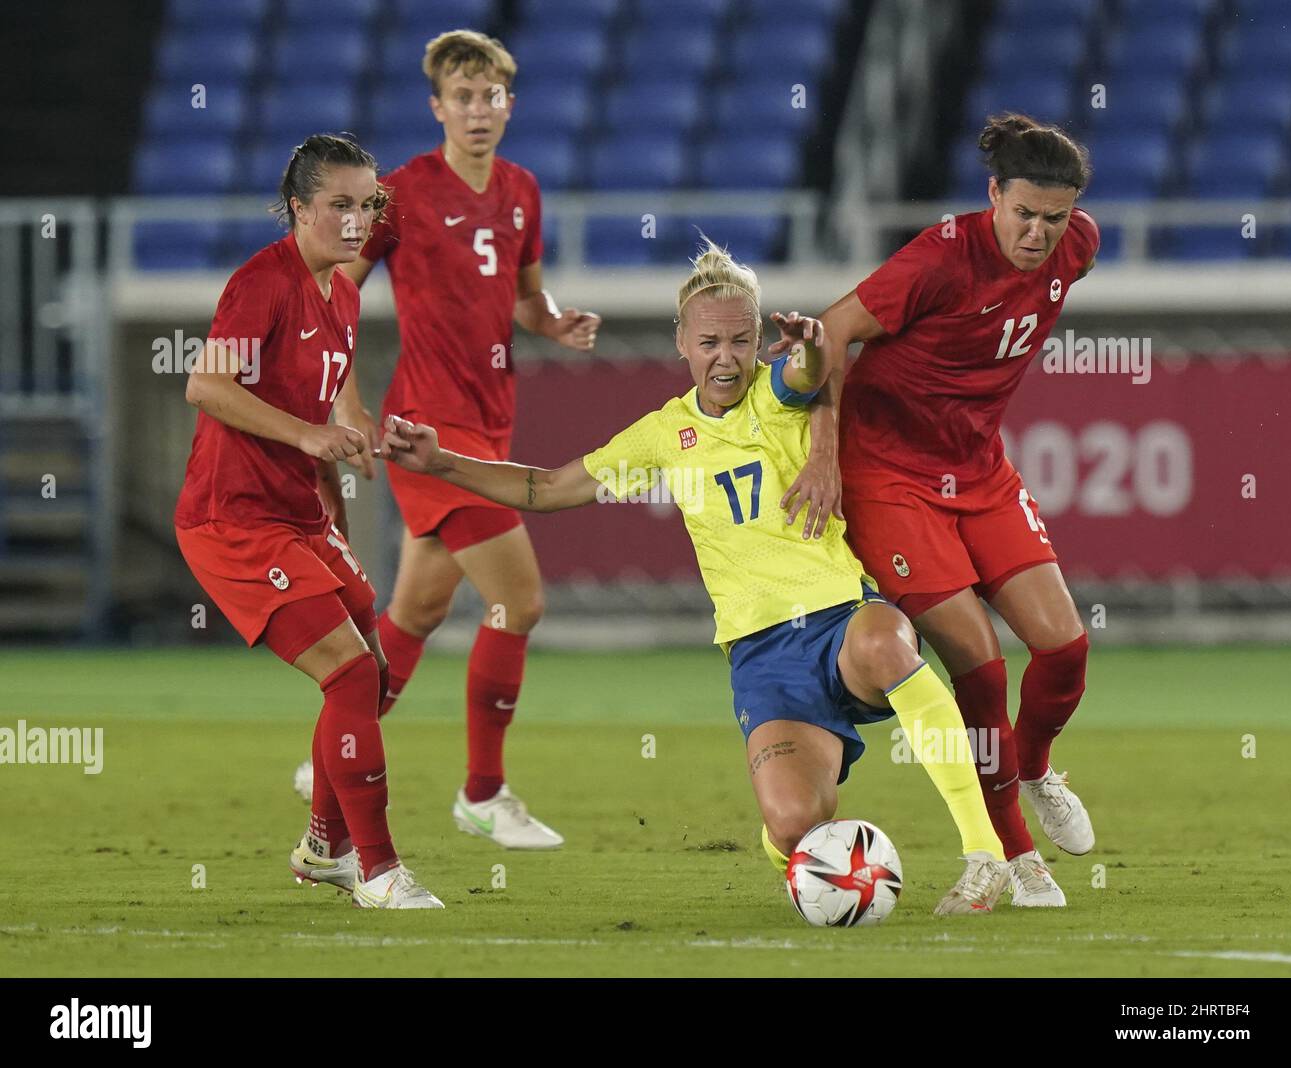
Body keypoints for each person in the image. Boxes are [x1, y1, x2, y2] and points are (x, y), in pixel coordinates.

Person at [379, 239, 1017, 915]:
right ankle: (803, 860)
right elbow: (547, 488)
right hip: (764, 659)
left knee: (890, 640)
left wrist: (805, 348)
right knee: (796, 821)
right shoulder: (663, 435)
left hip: (840, 621)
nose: (726, 357)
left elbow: (806, 371)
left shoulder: (778, 396)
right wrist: (441, 462)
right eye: (710, 341)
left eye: (742, 340)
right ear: (682, 342)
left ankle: (986, 857)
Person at [294, 30, 600, 850]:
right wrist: (347, 406)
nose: (478, 110)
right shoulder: (401, 193)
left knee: (418, 609)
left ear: (509, 104)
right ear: (438, 107)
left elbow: (526, 301)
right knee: (521, 599)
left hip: (489, 423)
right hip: (425, 430)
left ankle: (330, 753)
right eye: (462, 98)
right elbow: (335, 293)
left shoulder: (524, 191)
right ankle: (483, 792)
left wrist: (556, 322)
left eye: (491, 96)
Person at [798, 114, 1101, 907]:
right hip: (888, 477)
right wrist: (824, 452)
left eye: (1055, 218)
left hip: (979, 469)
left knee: (1065, 649)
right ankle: (1013, 855)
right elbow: (830, 331)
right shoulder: (937, 258)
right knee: (980, 664)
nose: (1038, 234)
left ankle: (1033, 769)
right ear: (993, 195)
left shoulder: (1080, 246)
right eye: (1023, 214)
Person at [175, 134, 440, 909]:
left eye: (369, 206)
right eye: (340, 206)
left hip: (297, 516)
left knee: (373, 660)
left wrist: (338, 477)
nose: (358, 222)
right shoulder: (263, 281)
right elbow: (204, 386)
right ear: (297, 208)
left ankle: (325, 844)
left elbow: (321, 407)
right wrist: (309, 434)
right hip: (233, 519)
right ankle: (378, 868)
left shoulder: (345, 295)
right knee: (352, 673)